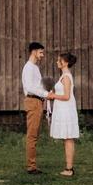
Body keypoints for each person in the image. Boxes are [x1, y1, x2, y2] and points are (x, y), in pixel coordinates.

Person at [46, 52, 79, 176]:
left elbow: (66, 96)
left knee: (68, 138)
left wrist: (52, 95)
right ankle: (68, 167)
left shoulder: (66, 77)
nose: (57, 62)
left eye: (59, 60)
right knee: (67, 138)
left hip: (66, 109)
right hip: (63, 109)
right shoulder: (63, 76)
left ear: (65, 62)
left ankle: (69, 169)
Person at [21, 41, 49, 174]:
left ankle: (32, 164)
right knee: (32, 135)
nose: (42, 55)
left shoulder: (35, 68)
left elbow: (38, 86)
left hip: (38, 101)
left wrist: (46, 94)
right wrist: (46, 94)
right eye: (41, 52)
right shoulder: (28, 68)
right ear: (33, 52)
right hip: (33, 101)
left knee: (35, 134)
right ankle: (31, 167)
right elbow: (31, 88)